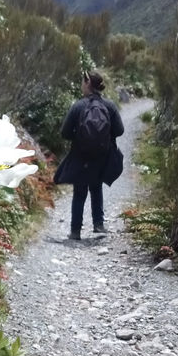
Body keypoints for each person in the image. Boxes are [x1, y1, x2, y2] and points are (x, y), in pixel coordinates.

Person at [59, 71, 124, 240]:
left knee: (79, 192)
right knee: (96, 187)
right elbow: (120, 130)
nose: (82, 85)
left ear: (87, 83)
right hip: (102, 155)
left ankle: (75, 231)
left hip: (80, 155)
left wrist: (80, 137)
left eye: (83, 82)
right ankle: (98, 225)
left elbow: (65, 132)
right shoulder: (109, 106)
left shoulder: (78, 106)